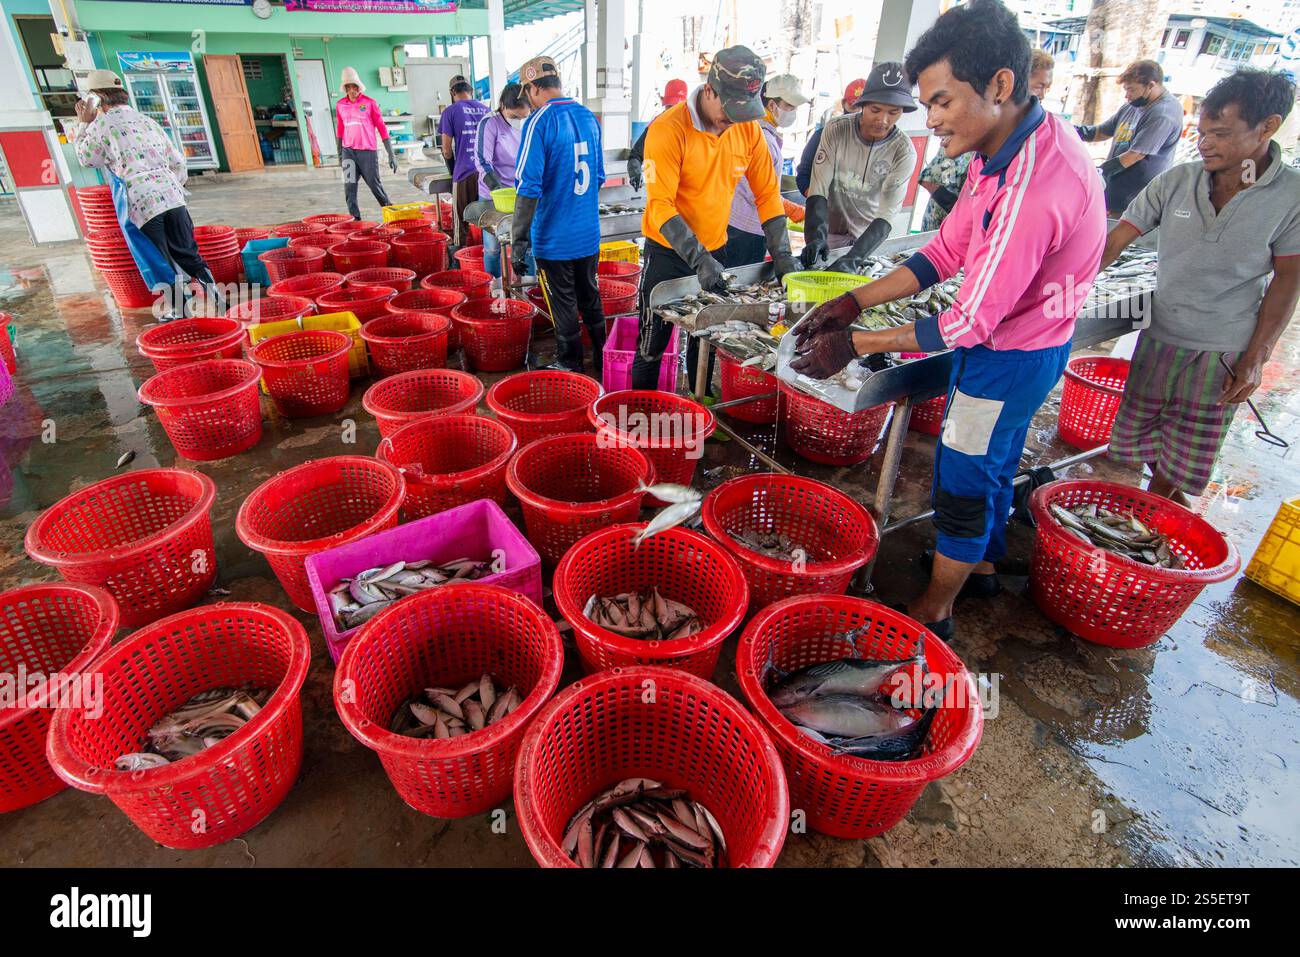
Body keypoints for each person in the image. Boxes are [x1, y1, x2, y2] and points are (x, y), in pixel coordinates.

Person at [791, 0, 1106, 639]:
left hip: (1009, 358)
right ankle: (983, 564)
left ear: (999, 84)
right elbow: (944, 250)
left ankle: (935, 610)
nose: (930, 121)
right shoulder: (1001, 150)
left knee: (963, 477)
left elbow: (966, 325)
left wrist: (855, 342)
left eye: (940, 102)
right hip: (1020, 344)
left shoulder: (1032, 185)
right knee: (992, 461)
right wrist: (856, 299)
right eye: (926, 105)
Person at [1100, 69, 1300, 505]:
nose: (1205, 143)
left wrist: (1256, 358)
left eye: (1222, 134)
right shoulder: (1177, 180)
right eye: (1203, 132)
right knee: (1140, 446)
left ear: (1268, 126)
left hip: (1222, 352)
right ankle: (1154, 507)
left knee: (1182, 461)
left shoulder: (1292, 196)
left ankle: (1155, 513)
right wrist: (1052, 290)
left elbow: (1288, 280)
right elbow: (1114, 241)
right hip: (1159, 338)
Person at [633, 46, 800, 391]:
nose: (735, 121)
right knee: (651, 345)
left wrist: (782, 255)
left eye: (744, 112)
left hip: (716, 249)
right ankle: (641, 418)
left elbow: (767, 195)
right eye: (730, 109)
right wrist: (698, 258)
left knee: (706, 338)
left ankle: (700, 408)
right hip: (668, 254)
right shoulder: (668, 129)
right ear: (709, 89)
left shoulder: (748, 129)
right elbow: (661, 205)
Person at [73, 68, 221, 317]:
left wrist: (82, 124)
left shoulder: (101, 125)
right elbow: (177, 162)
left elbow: (86, 158)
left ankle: (181, 313)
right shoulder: (147, 121)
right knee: (187, 252)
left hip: (140, 203)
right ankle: (218, 299)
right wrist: (168, 186)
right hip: (173, 198)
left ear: (96, 99)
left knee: (158, 259)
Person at [511, 56, 607, 376]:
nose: (529, 99)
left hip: (554, 238)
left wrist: (518, 240)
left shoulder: (539, 121)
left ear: (534, 87)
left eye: (528, 92)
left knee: (563, 301)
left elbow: (528, 187)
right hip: (588, 234)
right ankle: (603, 359)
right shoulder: (588, 117)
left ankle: (571, 364)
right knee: (589, 295)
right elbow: (600, 178)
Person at [800, 62, 918, 274]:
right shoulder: (836, 130)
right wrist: (816, 237)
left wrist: (854, 258)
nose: (882, 120)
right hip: (829, 231)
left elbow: (887, 213)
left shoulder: (903, 151)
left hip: (866, 241)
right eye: (875, 110)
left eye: (894, 112)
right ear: (862, 105)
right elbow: (818, 187)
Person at [1075, 59, 1184, 216]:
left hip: (1135, 198)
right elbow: (1100, 132)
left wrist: (1098, 172)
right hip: (1114, 191)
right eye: (1126, 90)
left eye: (1131, 90)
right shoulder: (1132, 106)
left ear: (1151, 85)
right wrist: (1069, 130)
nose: (1127, 95)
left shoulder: (1163, 113)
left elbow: (1135, 155)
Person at [724, 74, 810, 266]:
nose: (793, 112)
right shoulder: (762, 140)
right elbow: (759, 191)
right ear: (771, 105)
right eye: (789, 106)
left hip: (737, 223)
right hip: (747, 229)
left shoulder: (755, 132)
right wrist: (793, 209)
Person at [474, 82, 531, 278]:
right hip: (493, 194)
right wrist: (497, 189)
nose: (519, 121)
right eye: (514, 117)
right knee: (492, 247)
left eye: (523, 117)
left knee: (527, 243)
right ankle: (494, 286)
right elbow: (482, 160)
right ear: (503, 107)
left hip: (521, 192)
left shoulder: (530, 123)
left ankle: (529, 286)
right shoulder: (489, 123)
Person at [335, 67, 397, 220]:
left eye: (354, 86)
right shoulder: (340, 105)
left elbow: (382, 128)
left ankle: (391, 213)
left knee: (374, 185)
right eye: (349, 87)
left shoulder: (370, 103)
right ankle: (355, 219)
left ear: (358, 86)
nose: (352, 90)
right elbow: (340, 129)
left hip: (367, 152)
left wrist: (391, 154)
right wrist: (340, 153)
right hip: (348, 152)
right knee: (349, 187)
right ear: (346, 88)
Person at [439, 78, 490, 239]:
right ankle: (484, 252)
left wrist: (453, 170)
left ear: (453, 93)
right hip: (487, 173)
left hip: (464, 173)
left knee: (460, 221)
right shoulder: (486, 109)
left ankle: (459, 255)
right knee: (485, 218)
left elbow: (446, 150)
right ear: (471, 91)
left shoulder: (450, 111)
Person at [797, 78, 866, 195]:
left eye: (863, 108)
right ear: (844, 103)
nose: (857, 115)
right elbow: (803, 174)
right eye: (854, 107)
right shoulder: (823, 135)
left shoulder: (877, 146)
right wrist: (816, 202)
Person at [627, 80, 690, 191]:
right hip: (657, 189)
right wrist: (635, 174)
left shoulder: (693, 127)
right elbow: (636, 155)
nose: (672, 111)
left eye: (676, 107)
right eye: (670, 107)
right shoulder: (655, 125)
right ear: (665, 105)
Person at [917, 148, 971, 231]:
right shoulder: (960, 145)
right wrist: (956, 208)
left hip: (962, 226)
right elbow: (927, 180)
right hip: (939, 222)